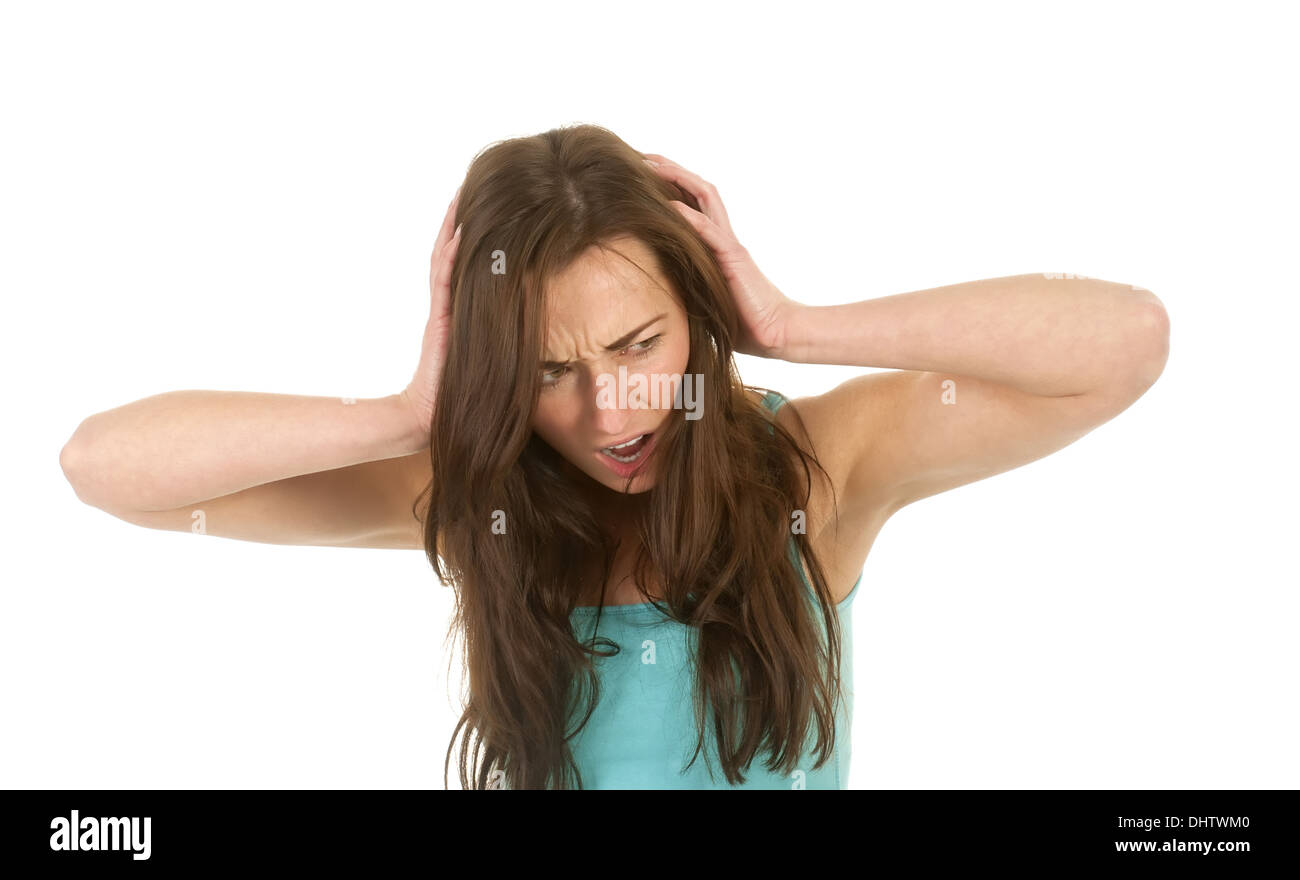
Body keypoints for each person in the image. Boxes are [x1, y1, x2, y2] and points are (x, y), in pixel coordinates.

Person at [59, 123, 1170, 790]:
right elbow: (106, 467)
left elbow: (1123, 344)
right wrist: (409, 414)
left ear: (698, 312)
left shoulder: (817, 471)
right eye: (548, 372)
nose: (612, 409)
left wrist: (793, 324)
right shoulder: (469, 500)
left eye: (642, 343)